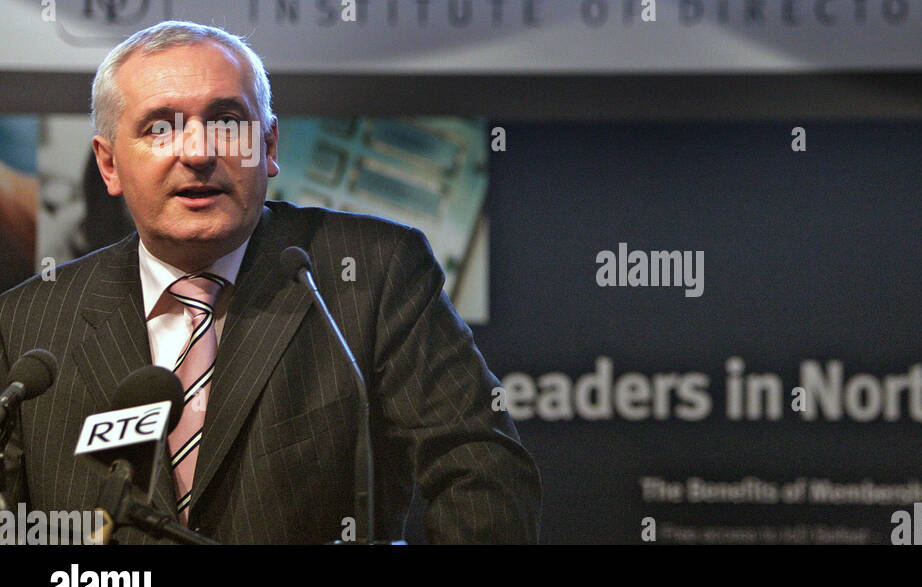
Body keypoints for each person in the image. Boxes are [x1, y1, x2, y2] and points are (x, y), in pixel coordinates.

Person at [0, 21, 540, 544]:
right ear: (109, 164)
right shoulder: (27, 325)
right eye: (160, 128)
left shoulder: (374, 275)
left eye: (227, 121)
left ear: (270, 144)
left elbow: (480, 468)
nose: (197, 152)